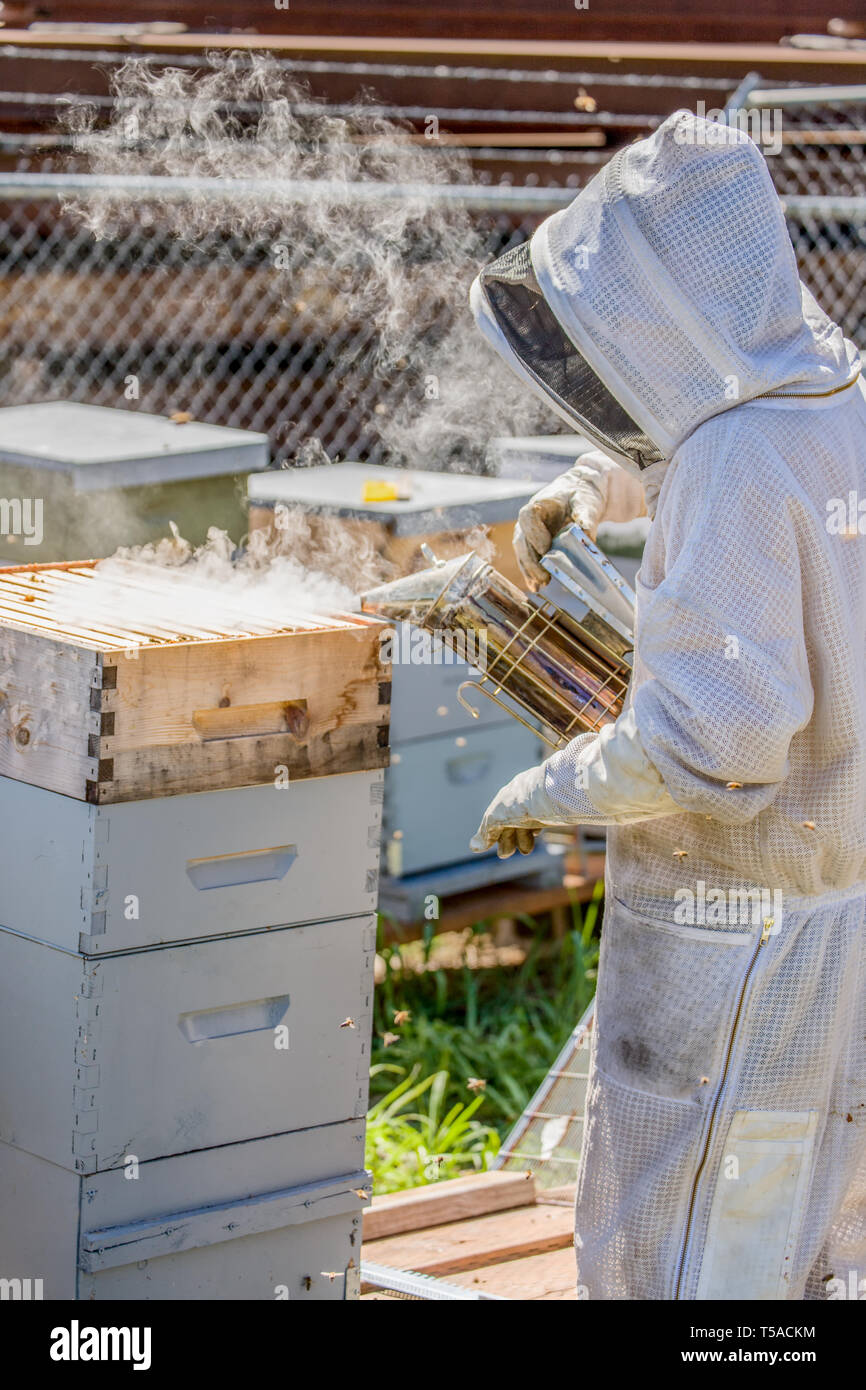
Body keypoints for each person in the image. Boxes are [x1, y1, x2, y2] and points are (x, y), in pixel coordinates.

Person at [469, 110, 866, 1300]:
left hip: (734, 931)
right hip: (832, 910)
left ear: (657, 298)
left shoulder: (734, 461)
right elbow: (737, 428)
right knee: (796, 1230)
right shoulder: (837, 393)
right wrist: (595, 478)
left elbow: (715, 750)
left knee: (700, 1247)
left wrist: (551, 786)